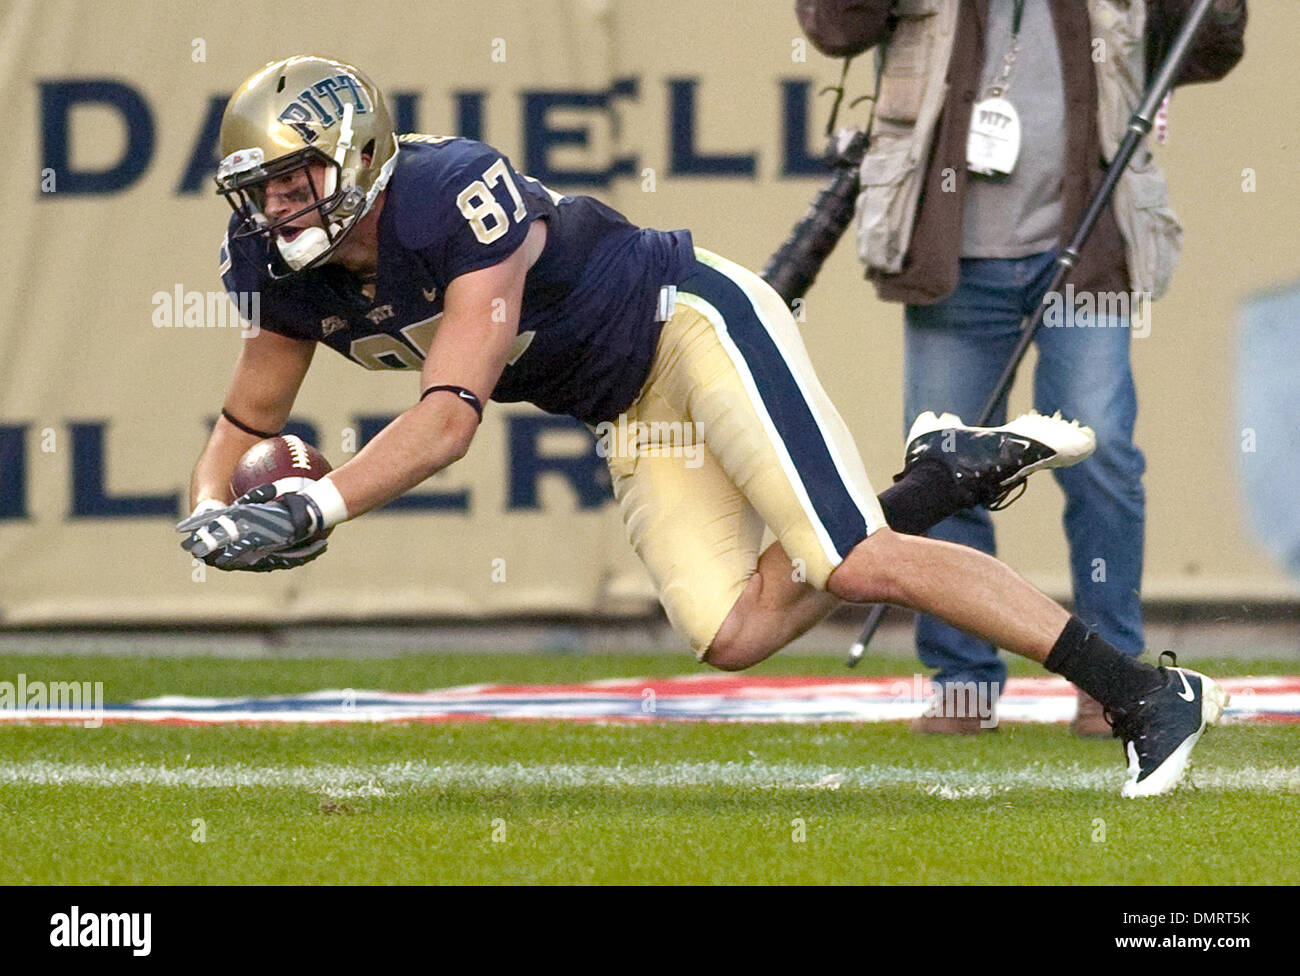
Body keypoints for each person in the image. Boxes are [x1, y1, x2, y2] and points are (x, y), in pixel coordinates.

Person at [179, 56, 1226, 796]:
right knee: (733, 632)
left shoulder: (449, 196)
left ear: (356, 155)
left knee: (853, 559)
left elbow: (449, 418)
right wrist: (207, 514)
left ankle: (1142, 691)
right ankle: (935, 482)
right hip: (622, 404)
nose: (275, 205)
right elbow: (248, 415)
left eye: (292, 177)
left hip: (687, 320)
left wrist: (315, 505)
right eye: (259, 187)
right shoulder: (276, 266)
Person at [796, 0, 1247, 735]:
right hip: (951, 257)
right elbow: (832, 26)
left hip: (1088, 248)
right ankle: (963, 684)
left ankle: (1113, 680)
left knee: (1103, 454)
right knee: (943, 473)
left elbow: (1206, 47)